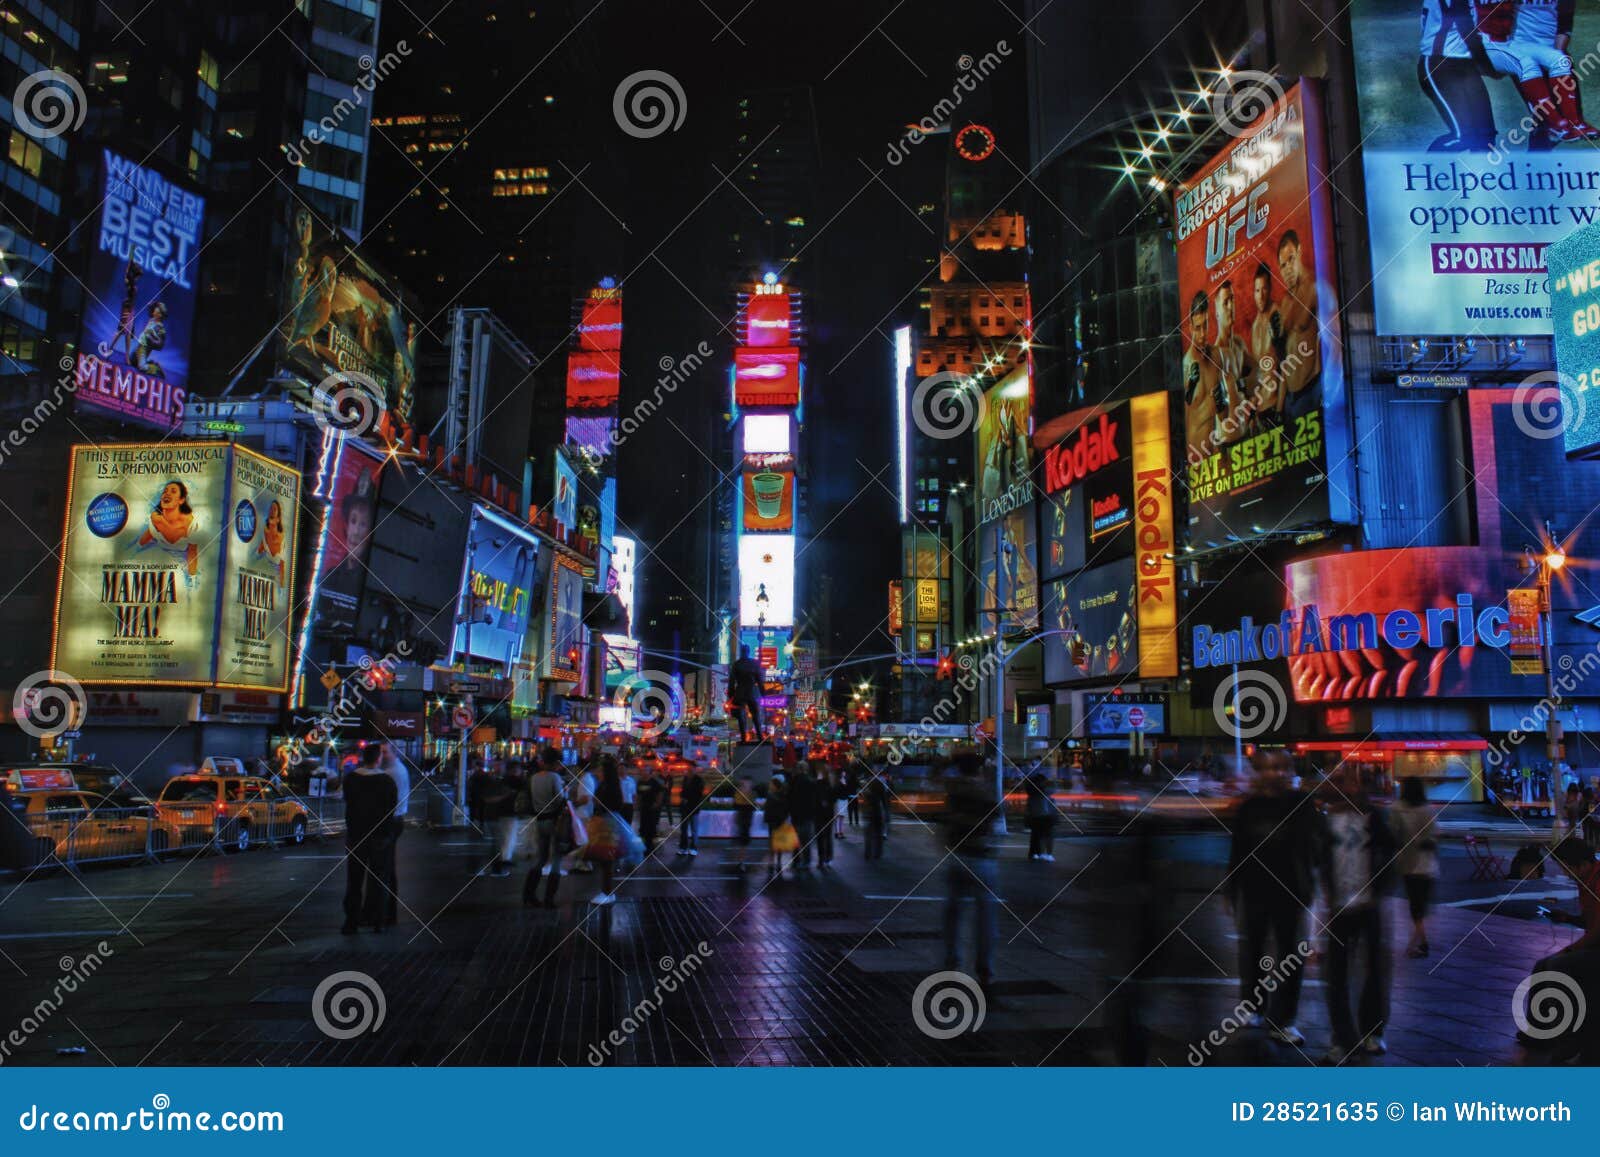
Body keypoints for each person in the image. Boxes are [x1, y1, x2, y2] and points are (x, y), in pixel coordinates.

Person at [1226, 754, 1322, 1047]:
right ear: (1259, 772)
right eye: (1268, 768)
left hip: (1291, 890)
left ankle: (1284, 1020)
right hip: (1255, 890)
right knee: (1251, 950)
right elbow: (1239, 849)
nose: (1274, 773)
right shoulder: (1249, 807)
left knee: (1290, 958)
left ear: (1289, 771)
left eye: (1280, 767)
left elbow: (1313, 846)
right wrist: (1231, 889)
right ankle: (1254, 1007)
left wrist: (1311, 886)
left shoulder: (1301, 803)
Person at [1318, 765, 1396, 1063]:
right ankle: (1342, 1037)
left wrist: (1379, 892)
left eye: (1349, 783)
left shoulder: (1376, 818)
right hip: (1338, 906)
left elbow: (1390, 855)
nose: (1344, 789)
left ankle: (1372, 1031)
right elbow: (1320, 861)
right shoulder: (1326, 822)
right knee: (1336, 975)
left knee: (1374, 970)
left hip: (1367, 905)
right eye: (1338, 783)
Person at [1522, 838, 1600, 1059]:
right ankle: (1539, 1032)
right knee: (1542, 965)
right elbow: (1590, 922)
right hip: (1594, 946)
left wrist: (1569, 950)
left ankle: (1563, 1033)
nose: (1565, 872)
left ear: (1582, 864)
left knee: (1557, 965)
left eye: (1566, 867)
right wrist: (1567, 917)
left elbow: (1597, 931)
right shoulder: (1586, 880)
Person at [941, 754, 998, 991]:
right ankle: (984, 968)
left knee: (953, 913)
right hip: (981, 858)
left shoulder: (953, 790)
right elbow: (996, 815)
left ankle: (951, 960)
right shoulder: (985, 790)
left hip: (957, 856)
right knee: (985, 918)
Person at [342, 744, 399, 934]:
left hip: (357, 835)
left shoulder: (351, 779)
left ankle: (351, 921)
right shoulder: (387, 782)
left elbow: (348, 802)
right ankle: (378, 920)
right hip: (380, 836)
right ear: (378, 759)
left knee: (354, 881)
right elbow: (392, 808)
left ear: (362, 758)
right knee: (379, 879)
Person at [1392, 776, 1440, 959]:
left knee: (1415, 906)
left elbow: (1394, 834)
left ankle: (1420, 943)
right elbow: (1434, 837)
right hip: (1427, 864)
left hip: (1407, 863)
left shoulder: (1397, 809)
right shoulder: (1428, 810)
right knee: (1420, 906)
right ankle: (1418, 943)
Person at [522, 749, 570, 908]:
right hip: (554, 821)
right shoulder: (554, 777)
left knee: (541, 858)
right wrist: (566, 794)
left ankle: (528, 894)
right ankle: (549, 899)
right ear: (556, 762)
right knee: (556, 859)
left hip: (539, 820)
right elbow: (559, 800)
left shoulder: (534, 778)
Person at [378, 744, 411, 925]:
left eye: (385, 752)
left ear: (393, 753)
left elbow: (389, 800)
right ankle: (387, 911)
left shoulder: (392, 773)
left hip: (391, 821)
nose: (382, 755)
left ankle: (387, 912)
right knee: (387, 866)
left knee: (386, 867)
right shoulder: (395, 769)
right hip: (395, 820)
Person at [588, 756, 626, 906]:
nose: (597, 772)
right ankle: (606, 892)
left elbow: (616, 804)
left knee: (606, 860)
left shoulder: (609, 786)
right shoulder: (606, 784)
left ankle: (607, 893)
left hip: (607, 823)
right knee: (604, 860)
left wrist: (600, 803)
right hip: (603, 822)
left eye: (600, 769)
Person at [489, 761, 525, 878]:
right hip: (510, 812)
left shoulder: (502, 781)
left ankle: (504, 859)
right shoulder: (516, 781)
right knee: (509, 836)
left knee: (507, 836)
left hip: (502, 812)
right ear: (515, 770)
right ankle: (504, 860)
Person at [730, 645, 765, 743]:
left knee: (742, 715)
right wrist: (763, 694)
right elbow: (760, 681)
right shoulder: (754, 664)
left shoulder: (736, 664)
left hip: (740, 692)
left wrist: (731, 696)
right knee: (755, 715)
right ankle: (759, 736)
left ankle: (743, 738)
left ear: (741, 651)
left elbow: (731, 682)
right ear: (748, 652)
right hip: (751, 692)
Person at [788, 763, 818, 869]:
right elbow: (814, 798)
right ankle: (806, 860)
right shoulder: (810, 781)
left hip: (796, 814)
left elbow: (789, 797)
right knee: (806, 839)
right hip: (807, 814)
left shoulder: (793, 781)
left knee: (796, 839)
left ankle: (796, 860)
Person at [1024, 768, 1057, 862]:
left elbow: (1029, 807)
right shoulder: (1044, 792)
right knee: (1046, 836)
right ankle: (1046, 854)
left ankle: (1036, 853)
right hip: (1044, 817)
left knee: (1037, 836)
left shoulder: (1032, 793)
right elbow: (1054, 789)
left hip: (1035, 817)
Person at [765, 774, 792, 875]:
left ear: (775, 785)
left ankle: (771, 864)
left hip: (773, 822)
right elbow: (787, 809)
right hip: (780, 821)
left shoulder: (771, 795)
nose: (770, 785)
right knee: (779, 843)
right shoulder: (784, 795)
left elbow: (767, 810)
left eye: (771, 784)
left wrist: (767, 819)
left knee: (772, 843)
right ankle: (778, 863)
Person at [637, 766, 666, 855]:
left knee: (651, 828)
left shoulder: (655, 782)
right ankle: (643, 846)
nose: (643, 772)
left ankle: (650, 848)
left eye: (645, 771)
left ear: (650, 772)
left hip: (652, 809)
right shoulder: (640, 782)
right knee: (643, 828)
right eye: (642, 770)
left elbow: (661, 792)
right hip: (643, 808)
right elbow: (638, 794)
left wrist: (657, 803)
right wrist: (638, 804)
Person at [812, 761, 836, 868]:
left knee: (822, 837)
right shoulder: (826, 784)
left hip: (822, 813)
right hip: (825, 813)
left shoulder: (823, 784)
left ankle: (823, 858)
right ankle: (826, 857)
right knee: (825, 837)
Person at [677, 766, 705, 856]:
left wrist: (686, 798)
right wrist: (682, 796)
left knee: (694, 829)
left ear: (695, 770)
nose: (689, 771)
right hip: (684, 807)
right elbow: (682, 791)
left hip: (694, 807)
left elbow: (698, 794)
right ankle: (683, 847)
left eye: (691, 770)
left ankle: (694, 848)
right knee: (684, 829)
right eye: (688, 770)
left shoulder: (699, 780)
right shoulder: (685, 779)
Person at [864, 772, 889, 861]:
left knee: (869, 833)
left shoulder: (869, 785)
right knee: (878, 834)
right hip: (878, 811)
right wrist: (886, 811)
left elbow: (865, 797)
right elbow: (884, 799)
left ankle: (868, 852)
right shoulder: (880, 785)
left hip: (870, 811)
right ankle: (878, 853)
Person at [733, 775, 757, 847]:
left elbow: (752, 803)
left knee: (745, 828)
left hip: (747, 813)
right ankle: (742, 843)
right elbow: (736, 803)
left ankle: (744, 844)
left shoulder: (752, 793)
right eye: (743, 783)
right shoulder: (738, 792)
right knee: (741, 828)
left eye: (747, 783)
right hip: (741, 812)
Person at [844, 761, 861, 828]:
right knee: (855, 808)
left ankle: (851, 821)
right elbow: (857, 784)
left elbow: (847, 783)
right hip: (853, 793)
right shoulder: (854, 774)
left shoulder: (849, 774)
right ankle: (856, 821)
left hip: (849, 793)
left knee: (850, 808)